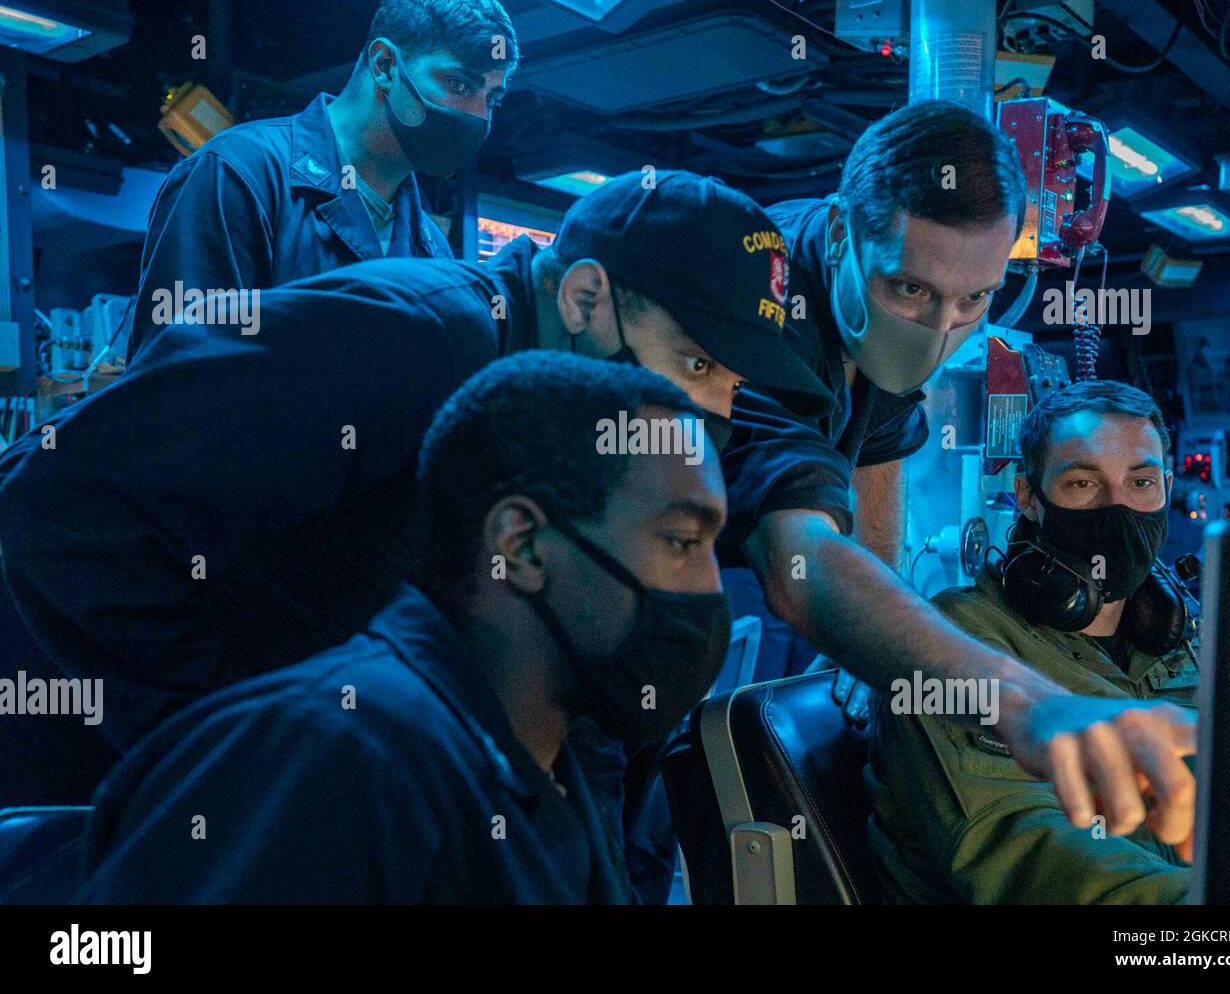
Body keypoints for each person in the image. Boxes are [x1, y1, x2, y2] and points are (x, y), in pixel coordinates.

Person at [0, 171, 828, 759]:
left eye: (731, 381)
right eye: (694, 366)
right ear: (582, 299)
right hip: (69, 720)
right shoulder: (411, 342)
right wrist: (233, 733)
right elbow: (61, 504)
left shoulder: (563, 393)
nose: (713, 412)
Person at [707, 101, 1197, 856]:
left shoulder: (889, 295)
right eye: (912, 292)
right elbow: (797, 563)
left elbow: (875, 459)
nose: (941, 329)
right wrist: (1023, 703)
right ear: (841, 235)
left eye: (975, 299)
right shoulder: (764, 306)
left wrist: (868, 647)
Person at [77, 351, 729, 903]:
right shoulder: (335, 752)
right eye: (678, 541)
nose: (711, 591)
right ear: (523, 546)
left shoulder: (554, 762)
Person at [866, 380, 1196, 904]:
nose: (1120, 507)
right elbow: (1029, 853)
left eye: (1141, 482)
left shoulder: (1190, 635)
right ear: (1029, 498)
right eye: (1083, 484)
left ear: (1167, 489)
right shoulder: (956, 646)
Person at [125, 0, 517, 359]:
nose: (479, 117)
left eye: (492, 100)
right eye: (460, 85)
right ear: (384, 64)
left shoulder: (432, 248)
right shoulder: (239, 174)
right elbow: (173, 388)